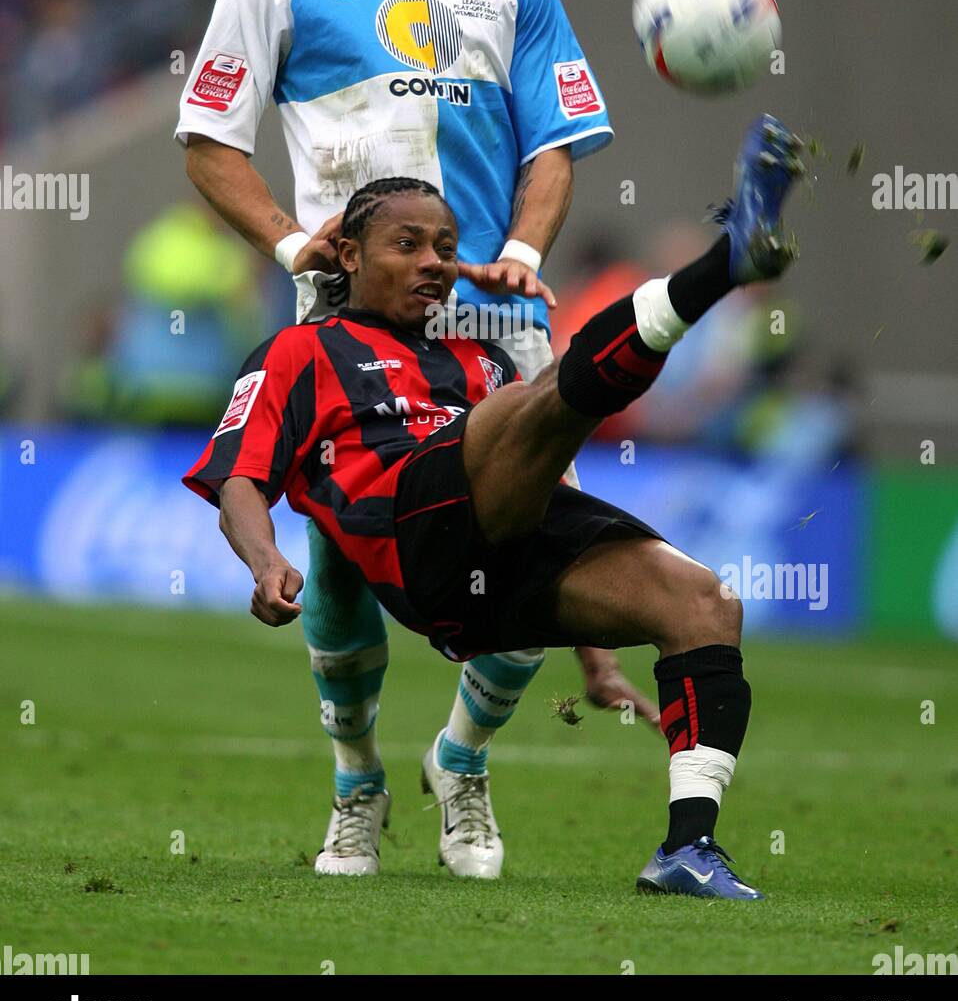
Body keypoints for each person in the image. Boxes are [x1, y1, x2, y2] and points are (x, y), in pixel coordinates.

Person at [176, 0, 657, 881]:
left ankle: (464, 761)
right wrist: (300, 242)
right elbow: (207, 139)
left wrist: (526, 254)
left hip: (493, 320)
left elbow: (557, 141)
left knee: (526, 572)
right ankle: (357, 784)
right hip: (343, 322)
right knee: (342, 570)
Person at [184, 114, 807, 899]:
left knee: (705, 605)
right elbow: (239, 477)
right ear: (347, 254)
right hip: (414, 541)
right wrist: (266, 558)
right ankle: (724, 265)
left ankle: (688, 850)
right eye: (406, 245)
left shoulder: (479, 358)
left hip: (501, 557)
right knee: (543, 396)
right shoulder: (299, 351)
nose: (434, 263)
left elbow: (539, 472)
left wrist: (594, 652)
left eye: (445, 247)